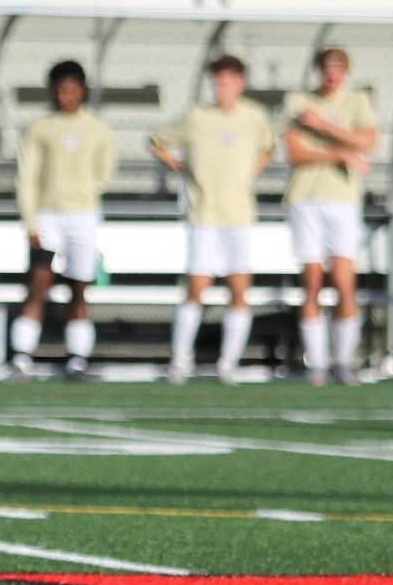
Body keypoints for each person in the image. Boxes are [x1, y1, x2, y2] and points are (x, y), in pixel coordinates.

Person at [151, 55, 275, 385]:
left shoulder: (254, 117)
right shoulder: (197, 117)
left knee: (238, 288)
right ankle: (180, 361)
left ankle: (228, 363)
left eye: (230, 80)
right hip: (204, 214)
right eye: (219, 81)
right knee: (197, 286)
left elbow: (268, 147)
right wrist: (180, 166)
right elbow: (157, 140)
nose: (224, 87)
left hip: (239, 216)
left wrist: (250, 173)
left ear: (241, 83)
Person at [6, 60, 115, 380]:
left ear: (82, 90)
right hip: (48, 215)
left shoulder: (97, 128)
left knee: (79, 286)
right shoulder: (41, 128)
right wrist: (31, 222)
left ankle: (77, 357)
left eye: (72, 89)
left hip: (83, 216)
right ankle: (22, 355)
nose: (66, 96)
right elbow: (27, 176)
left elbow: (104, 172)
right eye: (60, 90)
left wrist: (83, 193)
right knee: (39, 281)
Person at [281, 48, 379, 386]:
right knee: (311, 282)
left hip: (343, 201)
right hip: (305, 200)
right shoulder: (297, 101)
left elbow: (367, 142)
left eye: (339, 70)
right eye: (327, 69)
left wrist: (322, 126)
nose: (333, 76)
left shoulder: (357, 102)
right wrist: (338, 151)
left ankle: (343, 362)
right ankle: (317, 364)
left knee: (344, 283)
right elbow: (295, 151)